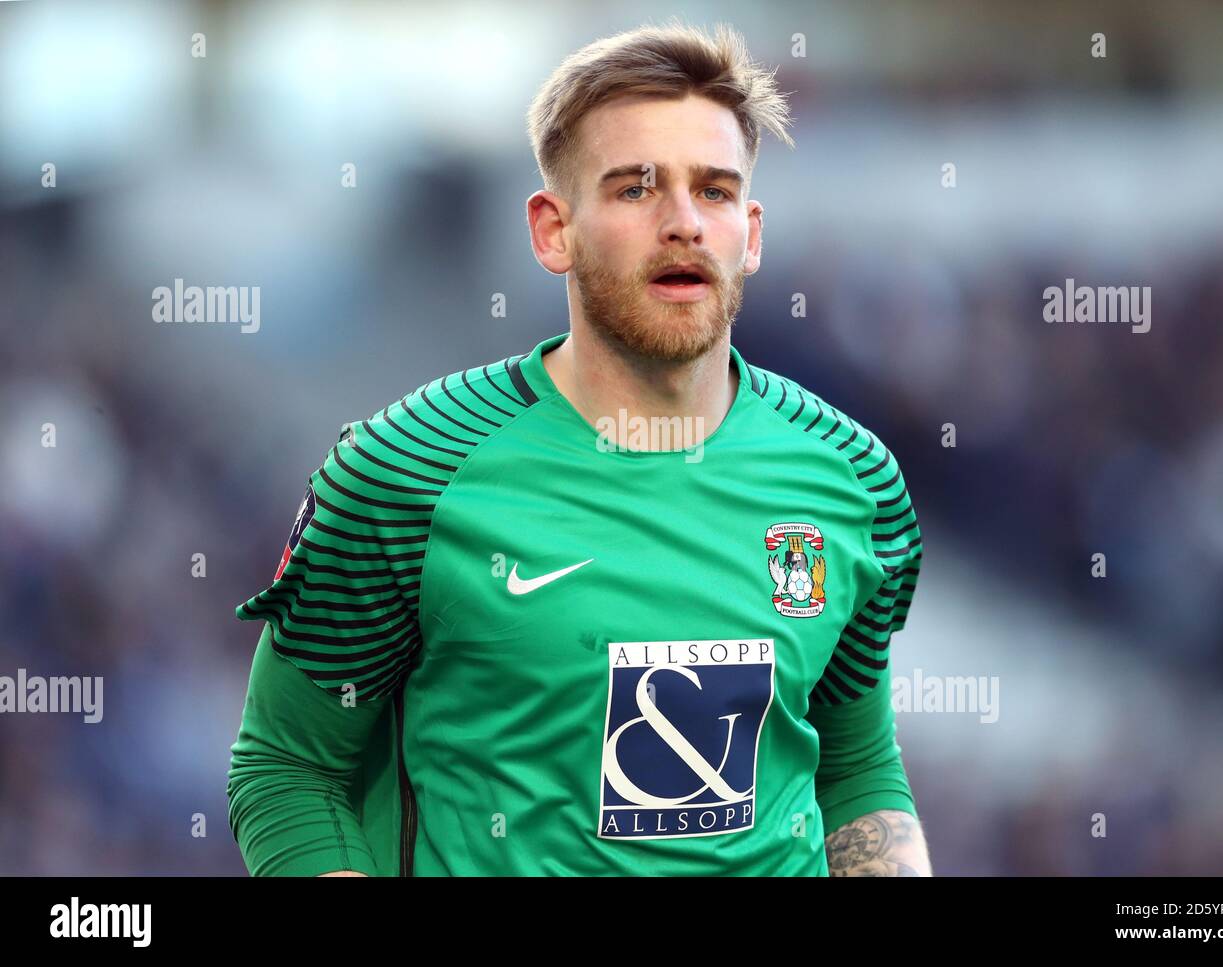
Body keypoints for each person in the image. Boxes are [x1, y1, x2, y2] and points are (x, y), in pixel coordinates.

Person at [227, 19, 930, 877]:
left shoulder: (851, 478)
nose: (683, 222)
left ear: (751, 232)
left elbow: (856, 768)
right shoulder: (406, 469)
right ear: (553, 228)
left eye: (713, 192)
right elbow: (287, 767)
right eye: (636, 189)